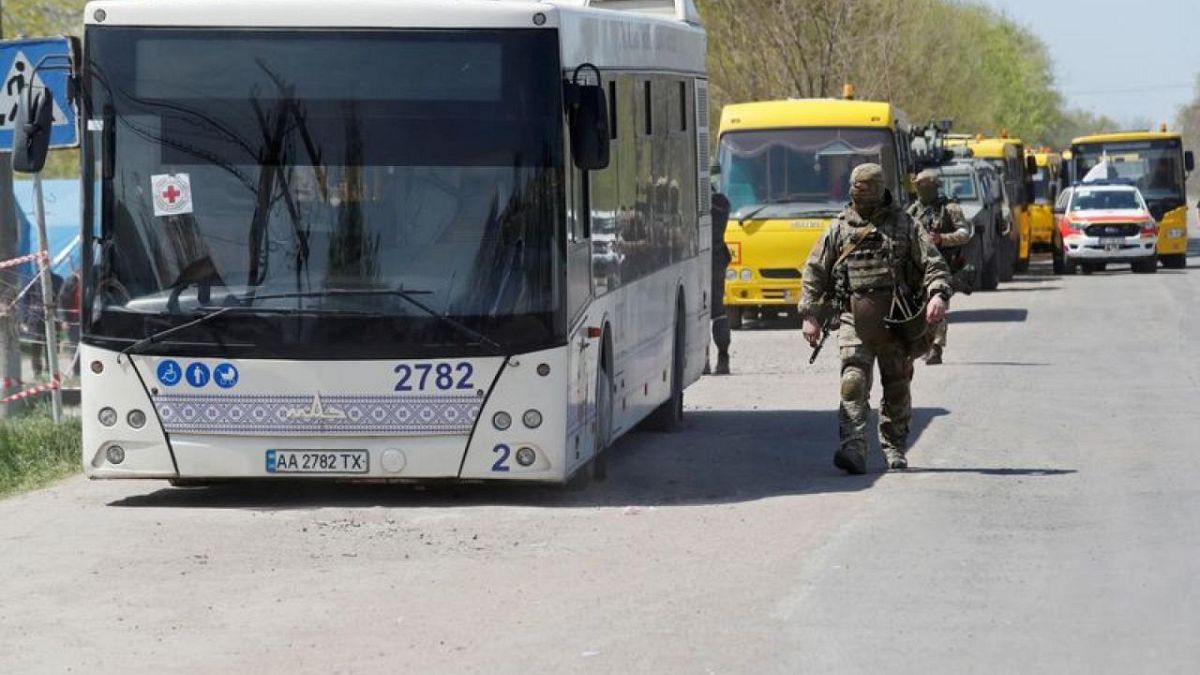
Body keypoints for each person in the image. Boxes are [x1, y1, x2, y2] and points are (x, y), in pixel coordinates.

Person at [799, 164, 951, 474]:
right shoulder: (839, 228)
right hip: (853, 317)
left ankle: (894, 446)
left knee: (897, 385)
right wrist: (809, 314)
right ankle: (853, 447)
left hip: (897, 318)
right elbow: (814, 270)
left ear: (880, 190)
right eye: (857, 190)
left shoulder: (906, 225)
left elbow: (934, 265)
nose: (861, 197)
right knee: (853, 381)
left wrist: (937, 295)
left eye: (866, 190)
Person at [908, 169, 971, 365]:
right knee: (918, 307)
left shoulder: (950, 209)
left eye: (926, 187)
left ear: (935, 187)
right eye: (919, 186)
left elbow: (964, 233)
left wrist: (942, 239)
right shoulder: (913, 211)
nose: (922, 190)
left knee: (937, 304)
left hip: (942, 265)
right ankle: (924, 344)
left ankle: (936, 347)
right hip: (917, 266)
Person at [704, 192, 733, 375]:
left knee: (699, 314)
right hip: (717, 262)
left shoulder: (705, 204)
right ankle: (723, 358)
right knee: (718, 312)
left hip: (703, 260)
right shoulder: (721, 204)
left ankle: (704, 359)